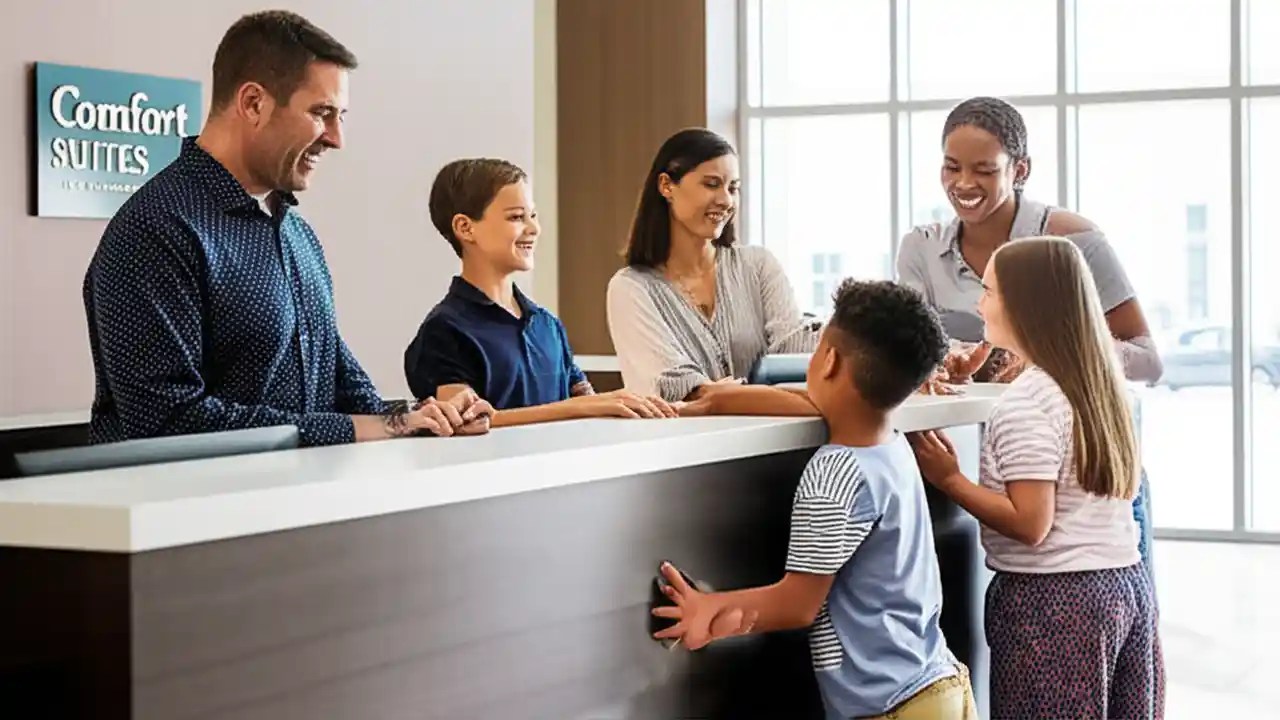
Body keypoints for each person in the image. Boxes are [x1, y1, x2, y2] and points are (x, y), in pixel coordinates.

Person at [82, 10, 490, 447]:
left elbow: (340, 380)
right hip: (191, 511)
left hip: (295, 509)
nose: (336, 138)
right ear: (253, 103)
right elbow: (168, 423)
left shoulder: (296, 233)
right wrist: (371, 427)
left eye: (341, 116)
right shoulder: (155, 229)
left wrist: (421, 417)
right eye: (321, 113)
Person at [654, 280, 978, 720]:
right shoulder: (890, 443)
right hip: (937, 683)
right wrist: (718, 399)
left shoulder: (834, 474)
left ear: (827, 358)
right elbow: (816, 400)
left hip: (892, 707)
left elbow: (797, 603)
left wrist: (708, 612)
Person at [896, 96, 1159, 567]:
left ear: (1020, 170)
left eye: (984, 169)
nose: (963, 184)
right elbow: (912, 350)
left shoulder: (1070, 241)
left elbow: (1147, 359)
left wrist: (1039, 355)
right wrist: (942, 363)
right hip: (1001, 464)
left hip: (1090, 473)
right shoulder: (920, 249)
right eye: (951, 167)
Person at [908, 237, 1164, 719]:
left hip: (1053, 606)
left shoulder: (1028, 402)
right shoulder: (1097, 384)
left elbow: (1031, 524)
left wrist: (951, 480)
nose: (977, 303)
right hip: (1124, 588)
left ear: (1025, 305)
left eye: (988, 292)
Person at [404, 158, 677, 425]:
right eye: (516, 217)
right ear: (465, 227)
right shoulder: (443, 331)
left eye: (532, 215)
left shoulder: (547, 324)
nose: (534, 228)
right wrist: (581, 406)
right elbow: (467, 423)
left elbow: (588, 401)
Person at [606, 128, 822, 414]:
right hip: (680, 450)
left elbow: (793, 352)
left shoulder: (758, 265)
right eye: (711, 184)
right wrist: (718, 393)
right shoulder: (631, 288)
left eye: (733, 188)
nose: (726, 200)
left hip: (771, 442)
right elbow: (673, 385)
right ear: (666, 186)